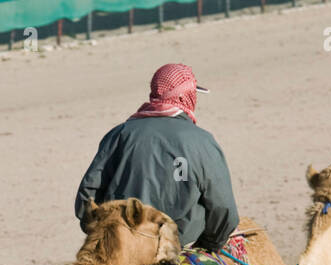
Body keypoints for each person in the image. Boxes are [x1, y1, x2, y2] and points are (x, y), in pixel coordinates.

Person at [74, 63, 238, 252]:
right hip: (177, 247)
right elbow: (224, 210)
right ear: (185, 97)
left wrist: (102, 234)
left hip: (121, 248)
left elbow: (88, 195)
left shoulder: (119, 134)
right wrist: (209, 246)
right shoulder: (202, 141)